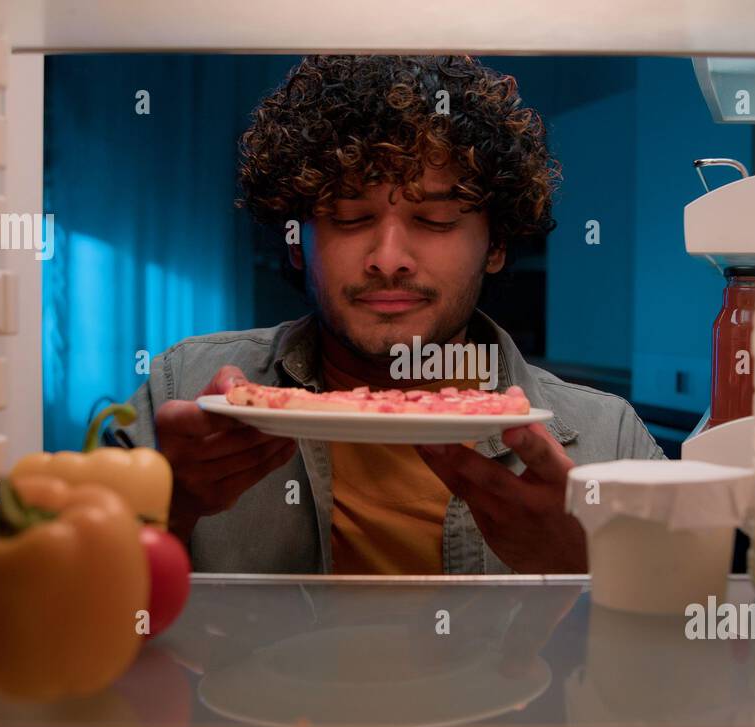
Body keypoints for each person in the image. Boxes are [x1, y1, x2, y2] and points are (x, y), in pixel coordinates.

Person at [123, 55, 665, 575]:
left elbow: (694, 652)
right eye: (350, 216)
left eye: (435, 220)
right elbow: (65, 638)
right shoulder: (181, 393)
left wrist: (586, 570)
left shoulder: (609, 441)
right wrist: (170, 507)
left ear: (495, 243)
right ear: (295, 242)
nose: (388, 260)